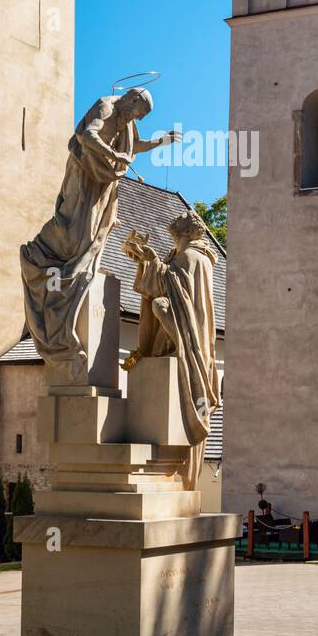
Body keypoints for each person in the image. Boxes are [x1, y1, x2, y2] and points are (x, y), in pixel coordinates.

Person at [21, 88, 178, 373]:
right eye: (138, 113)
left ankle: (88, 260)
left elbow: (135, 146)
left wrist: (160, 142)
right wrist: (114, 155)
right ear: (132, 99)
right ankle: (43, 252)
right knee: (76, 226)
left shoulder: (127, 119)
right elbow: (87, 136)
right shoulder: (106, 107)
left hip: (105, 179)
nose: (137, 119)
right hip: (85, 172)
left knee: (99, 228)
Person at [122, 209, 220, 489]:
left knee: (160, 306)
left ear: (186, 231)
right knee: (160, 305)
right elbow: (170, 282)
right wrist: (147, 259)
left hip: (185, 332)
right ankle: (167, 348)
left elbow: (173, 290)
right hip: (190, 332)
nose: (176, 220)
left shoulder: (190, 256)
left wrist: (150, 260)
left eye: (181, 220)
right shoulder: (191, 257)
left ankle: (174, 346)